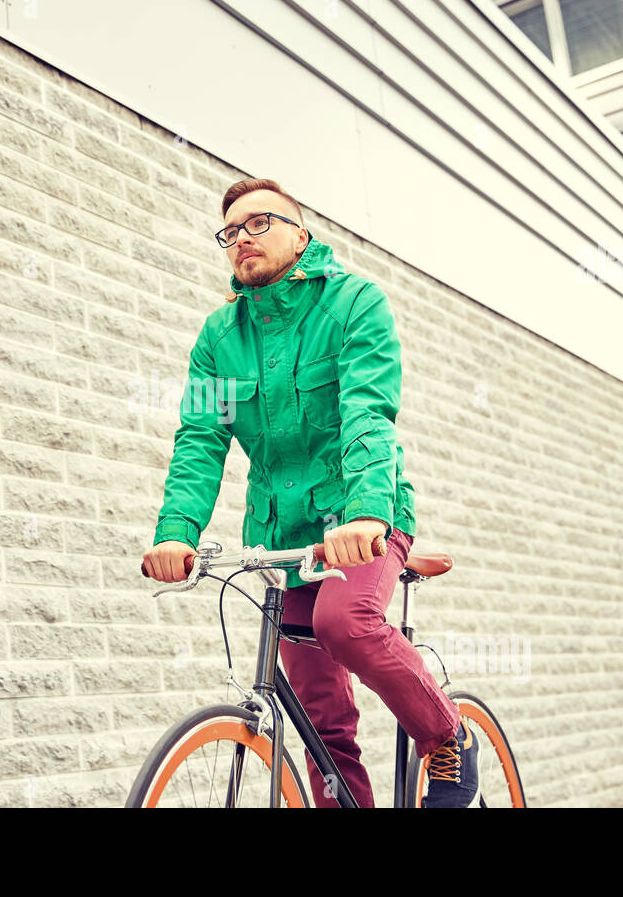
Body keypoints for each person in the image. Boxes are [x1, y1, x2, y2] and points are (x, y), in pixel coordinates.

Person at [141, 178, 478, 808]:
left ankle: (446, 735)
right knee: (320, 718)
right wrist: (175, 533)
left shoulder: (354, 304)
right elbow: (200, 440)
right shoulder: (219, 339)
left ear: (301, 233)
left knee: (342, 622)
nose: (242, 238)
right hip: (282, 541)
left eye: (259, 223)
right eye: (230, 232)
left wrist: (367, 513)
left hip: (364, 520)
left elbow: (368, 414)